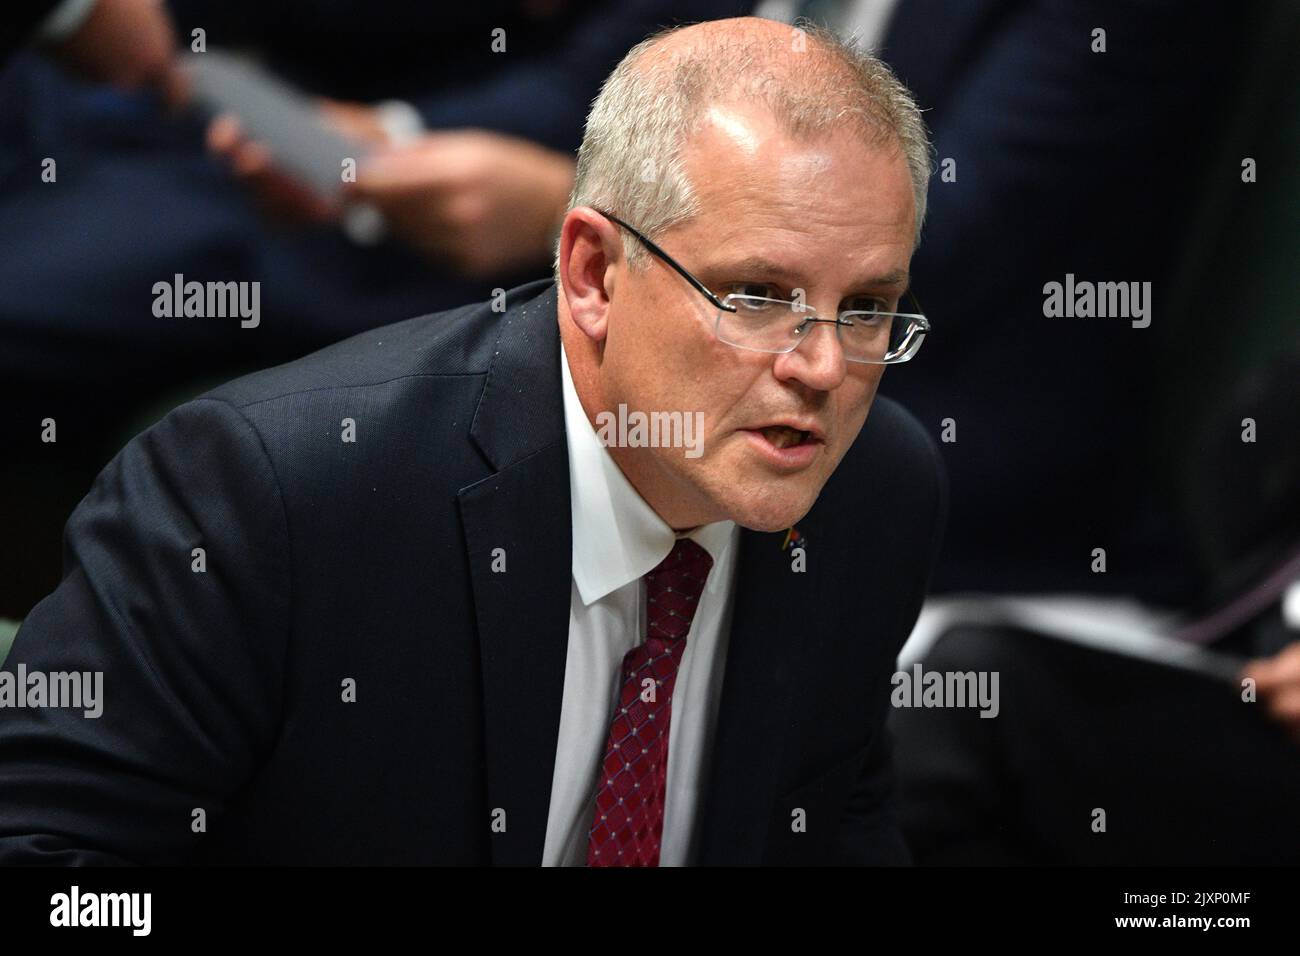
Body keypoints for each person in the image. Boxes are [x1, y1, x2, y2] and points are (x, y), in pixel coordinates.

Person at [0, 16, 946, 865]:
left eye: (867, 309)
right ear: (592, 275)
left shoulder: (876, 494)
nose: (822, 368)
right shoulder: (271, 492)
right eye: (755, 298)